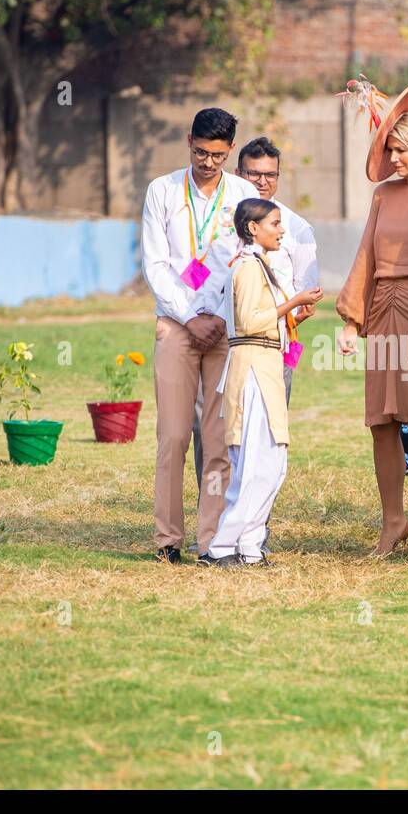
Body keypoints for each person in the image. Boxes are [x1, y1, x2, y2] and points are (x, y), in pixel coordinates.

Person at [336, 81, 408, 563]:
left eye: (400, 150)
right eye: (389, 149)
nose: (393, 158)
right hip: (383, 309)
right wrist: (350, 320)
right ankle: (393, 520)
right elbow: (366, 251)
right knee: (381, 421)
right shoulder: (383, 194)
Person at [141, 108, 258, 563]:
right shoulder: (162, 191)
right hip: (177, 324)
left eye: (217, 155)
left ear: (230, 150)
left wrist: (223, 316)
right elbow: (156, 265)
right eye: (199, 152)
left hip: (226, 328)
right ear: (188, 140)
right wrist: (191, 316)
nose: (208, 163)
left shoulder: (244, 194)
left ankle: (212, 541)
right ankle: (167, 539)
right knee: (173, 435)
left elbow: (249, 260)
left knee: (219, 438)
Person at [203, 199, 322, 566]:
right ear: (253, 228)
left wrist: (294, 315)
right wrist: (294, 301)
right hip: (252, 369)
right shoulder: (247, 267)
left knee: (272, 463)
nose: (281, 230)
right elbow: (251, 322)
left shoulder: (262, 267)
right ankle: (223, 546)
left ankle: (250, 547)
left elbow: (263, 322)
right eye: (274, 223)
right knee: (253, 464)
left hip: (267, 366)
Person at [234, 136, 320, 401]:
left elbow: (306, 292)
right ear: (237, 174)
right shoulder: (220, 220)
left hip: (274, 342)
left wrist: (282, 322)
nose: (262, 181)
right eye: (254, 173)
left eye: (270, 174)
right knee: (218, 427)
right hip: (221, 340)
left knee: (271, 426)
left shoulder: (296, 228)